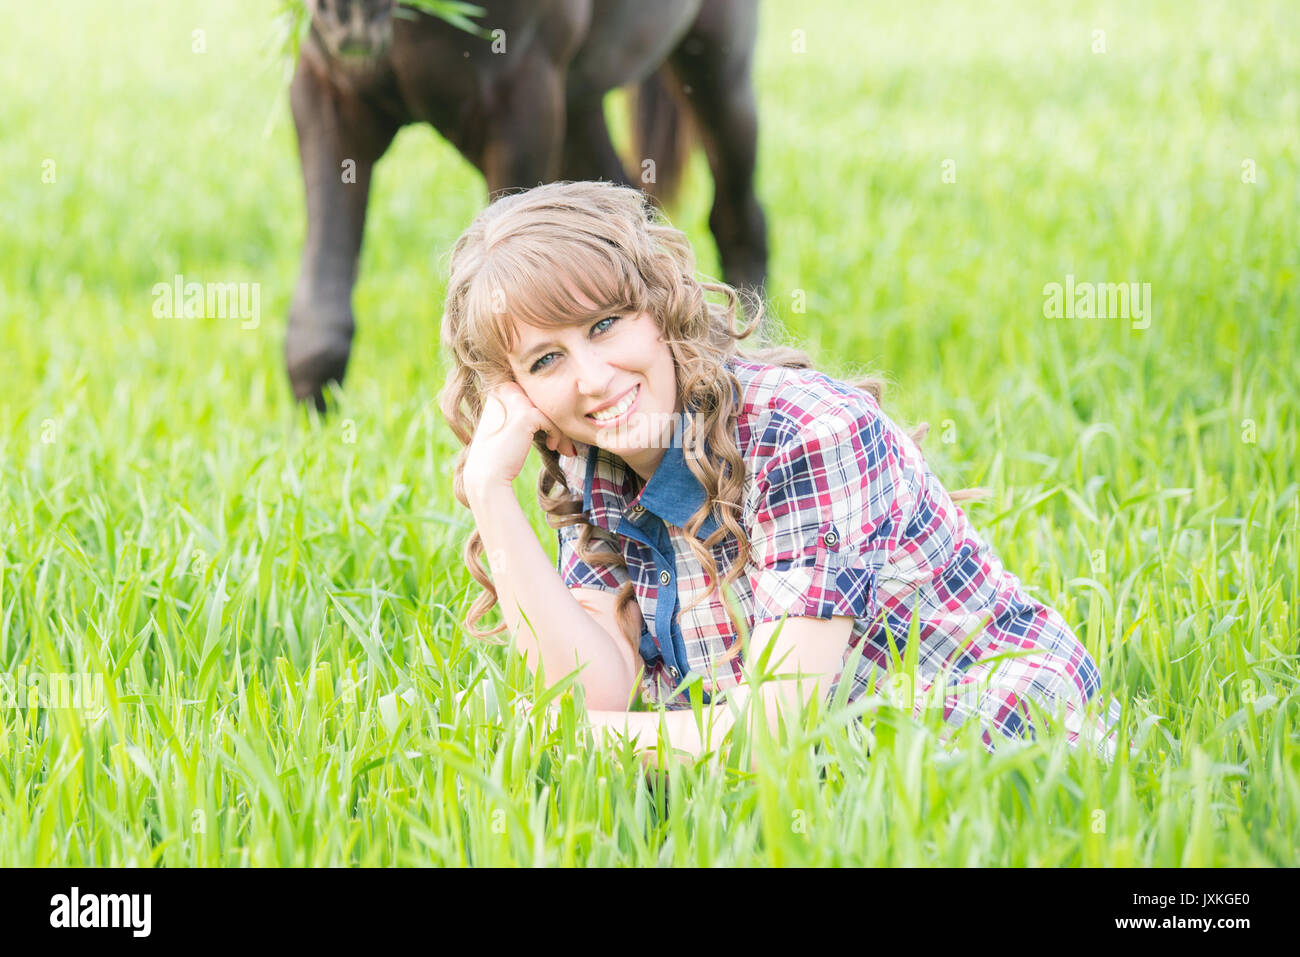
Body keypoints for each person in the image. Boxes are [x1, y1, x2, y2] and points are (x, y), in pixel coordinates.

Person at [437, 179, 1126, 767]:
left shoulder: (807, 432)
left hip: (988, 732)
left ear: (660, 308)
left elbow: (773, 733)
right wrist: (491, 495)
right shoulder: (600, 469)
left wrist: (586, 741)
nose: (592, 379)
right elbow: (586, 696)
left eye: (605, 323)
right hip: (829, 765)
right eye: (544, 361)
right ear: (517, 396)